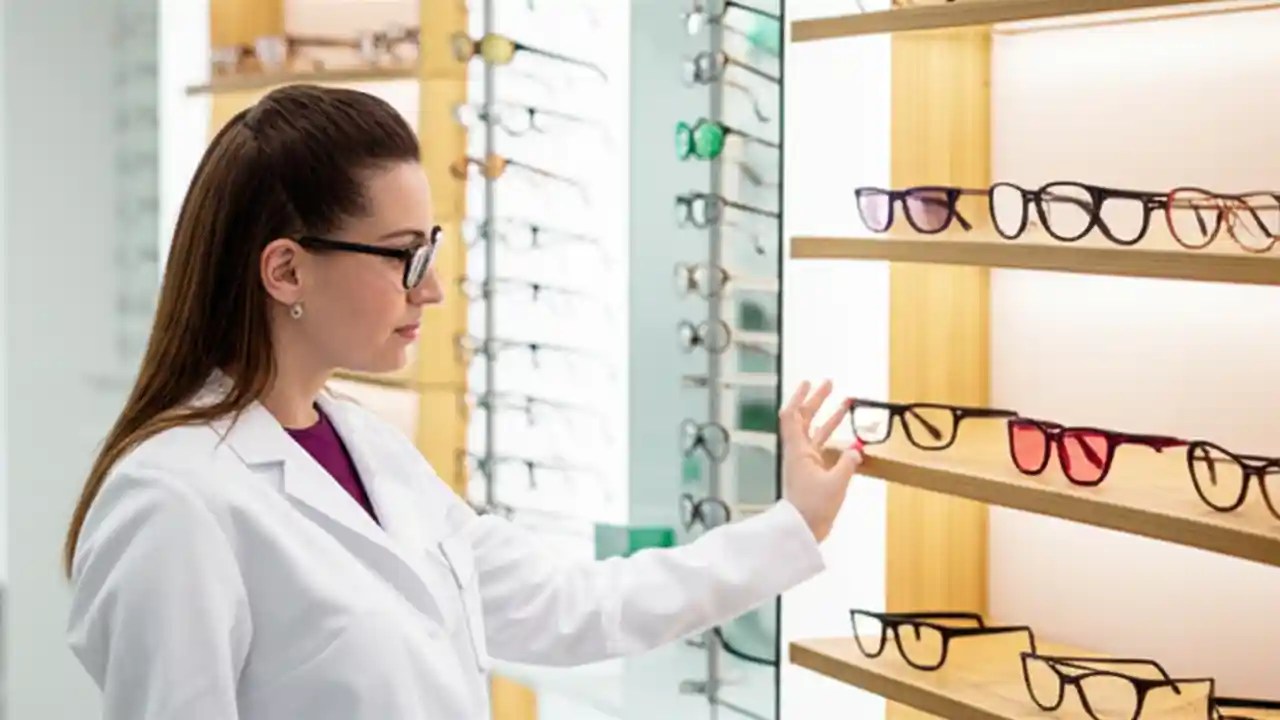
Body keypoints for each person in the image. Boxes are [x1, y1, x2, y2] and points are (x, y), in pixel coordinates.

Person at [62, 85, 865, 720]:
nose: (434, 290)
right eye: (404, 258)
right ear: (286, 271)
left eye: (433, 251)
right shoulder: (173, 502)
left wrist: (793, 525)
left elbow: (575, 607)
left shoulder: (367, 449)